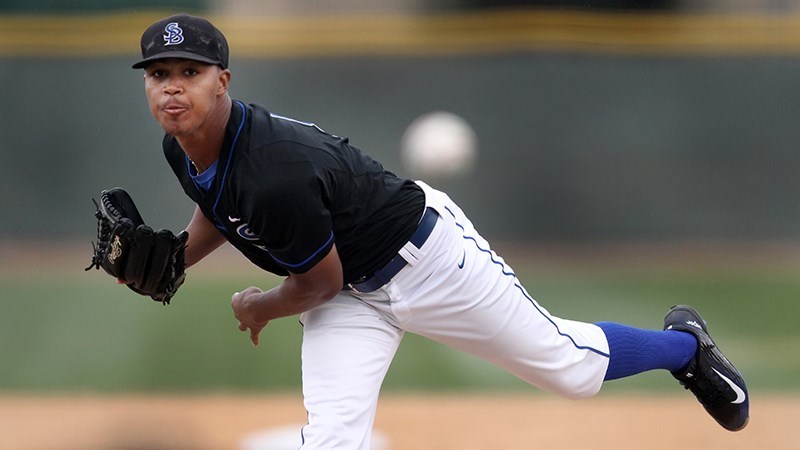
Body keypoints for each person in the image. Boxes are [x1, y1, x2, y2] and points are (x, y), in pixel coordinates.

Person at [131, 13, 749, 448]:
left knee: (568, 368)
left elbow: (316, 284)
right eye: (161, 74)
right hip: (351, 294)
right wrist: (181, 257)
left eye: (191, 70)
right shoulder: (182, 144)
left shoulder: (276, 172)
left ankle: (686, 347)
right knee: (332, 437)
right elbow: (216, 200)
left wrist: (259, 306)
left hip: (425, 261)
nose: (174, 86)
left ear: (224, 81)